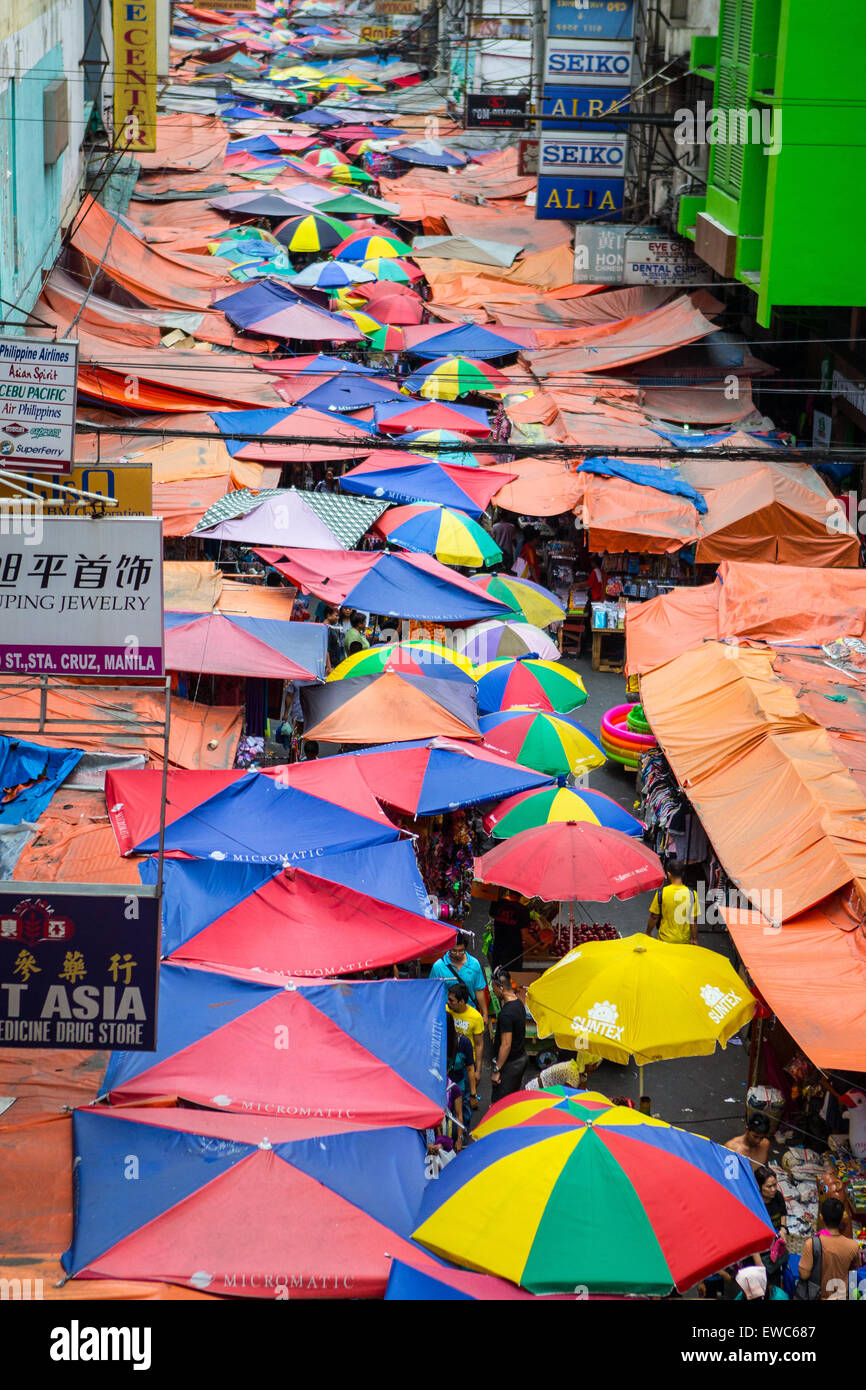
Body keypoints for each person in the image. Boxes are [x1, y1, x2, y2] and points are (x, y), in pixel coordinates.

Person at [798, 1197, 863, 1299]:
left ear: (821, 1217)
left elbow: (804, 1275)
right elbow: (854, 1272)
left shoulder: (811, 1244)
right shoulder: (853, 1246)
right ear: (842, 1218)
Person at [430, 942, 489, 1031]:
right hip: (447, 1016)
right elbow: (433, 992)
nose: (457, 954)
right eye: (454, 951)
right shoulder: (438, 966)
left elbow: (479, 990)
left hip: (470, 1014)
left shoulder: (474, 964)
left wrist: (485, 1014)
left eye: (461, 951)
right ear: (448, 948)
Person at [490, 967, 527, 1101]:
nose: (492, 991)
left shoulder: (506, 1014)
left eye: (493, 987)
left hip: (510, 1065)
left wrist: (497, 1070)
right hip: (520, 1058)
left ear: (500, 988)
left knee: (500, 1103)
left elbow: (506, 1045)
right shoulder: (519, 1004)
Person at [646, 860, 697, 945]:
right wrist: (694, 939)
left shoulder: (661, 893)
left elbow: (654, 917)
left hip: (664, 939)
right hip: (684, 941)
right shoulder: (692, 894)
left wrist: (648, 932)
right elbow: (694, 920)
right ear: (683, 873)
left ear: (668, 874)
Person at [446, 982, 484, 1095]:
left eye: (451, 1000)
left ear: (461, 1001)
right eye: (448, 999)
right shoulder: (445, 1010)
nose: (448, 1002)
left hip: (467, 1065)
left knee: (465, 1096)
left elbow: (479, 1045)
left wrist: (478, 1071)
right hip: (449, 1062)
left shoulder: (476, 1017)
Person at [488, 889, 530, 974]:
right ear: (521, 895)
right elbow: (525, 935)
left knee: (497, 976)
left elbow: (491, 914)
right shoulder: (523, 910)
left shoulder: (497, 903)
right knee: (512, 980)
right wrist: (539, 945)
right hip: (513, 954)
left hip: (498, 949)